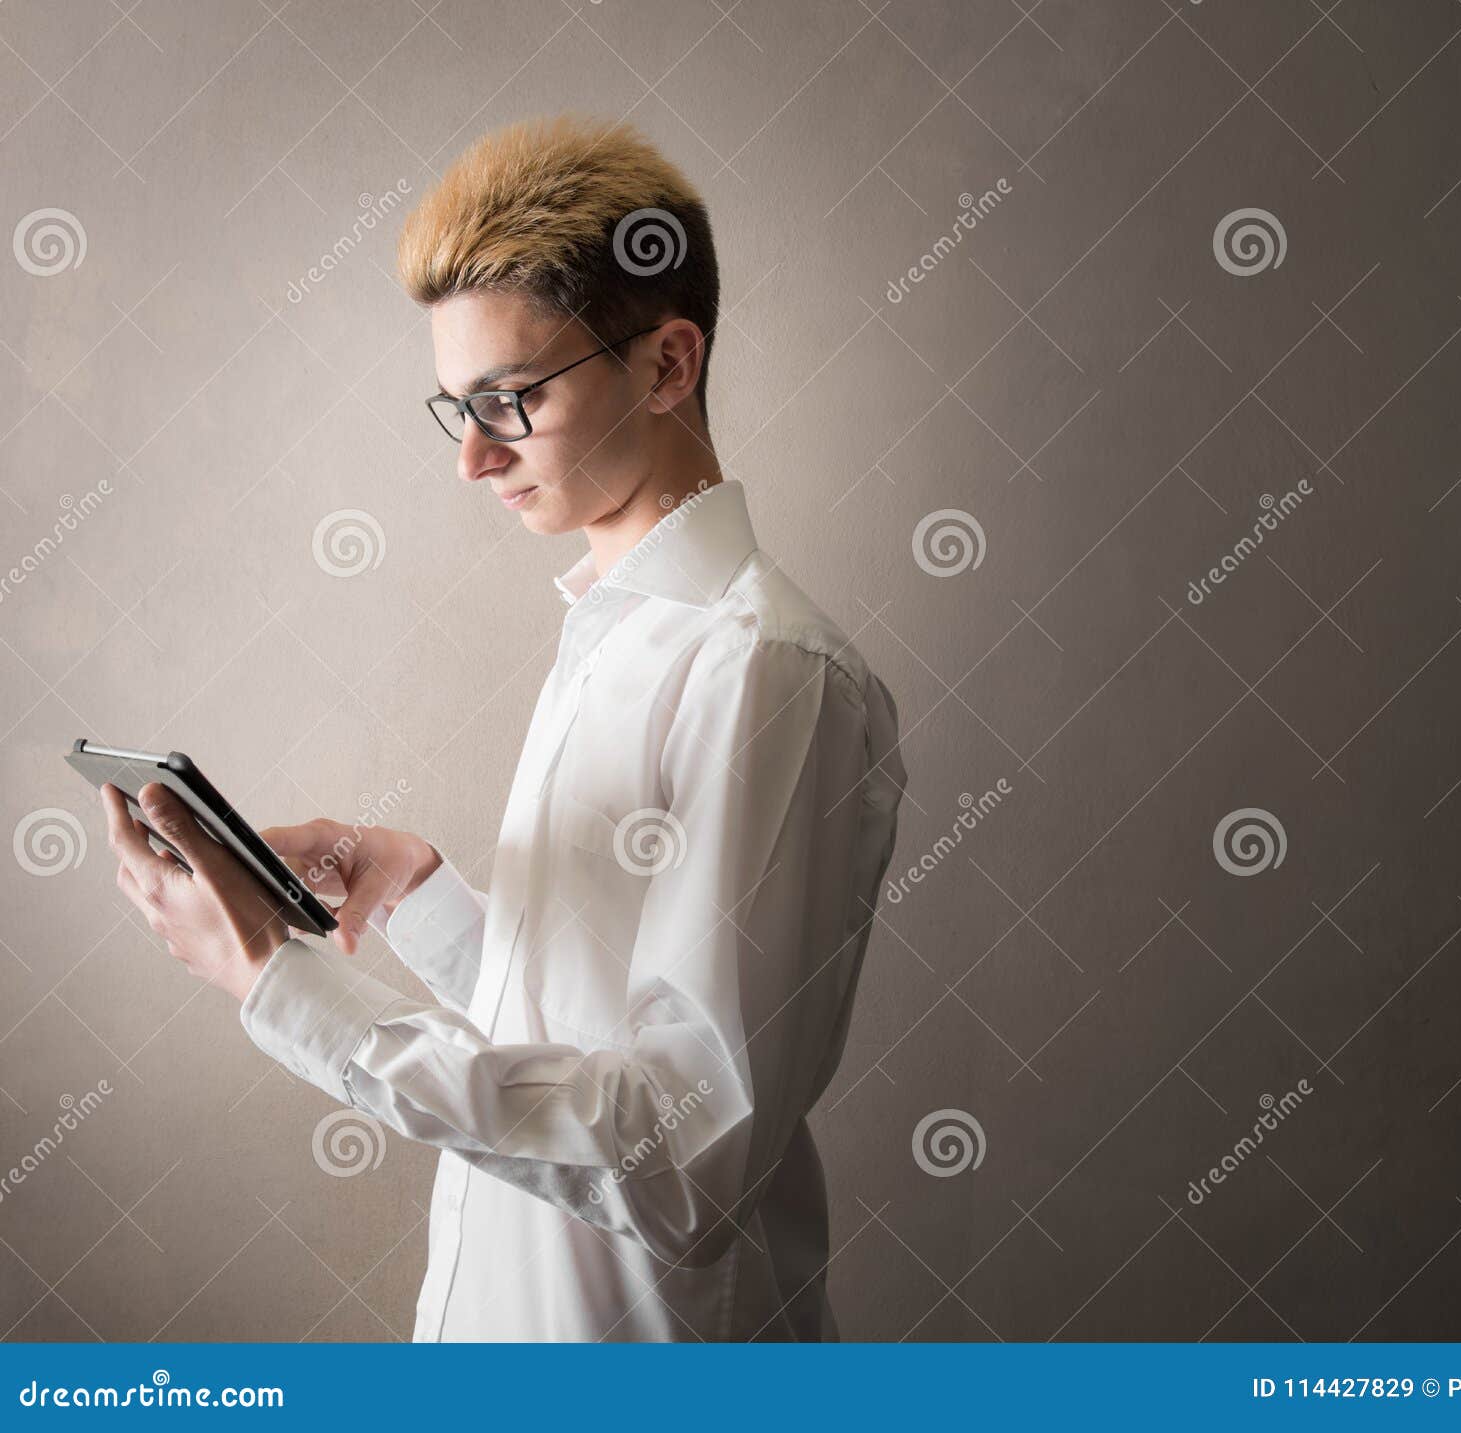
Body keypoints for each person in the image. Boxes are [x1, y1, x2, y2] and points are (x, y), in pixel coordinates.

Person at [100, 113, 907, 1342]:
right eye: (456, 406)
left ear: (666, 363)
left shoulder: (764, 673)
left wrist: (283, 978)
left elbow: (681, 1155)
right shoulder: (615, 631)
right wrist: (419, 895)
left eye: (511, 399)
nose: (472, 457)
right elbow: (591, 1039)